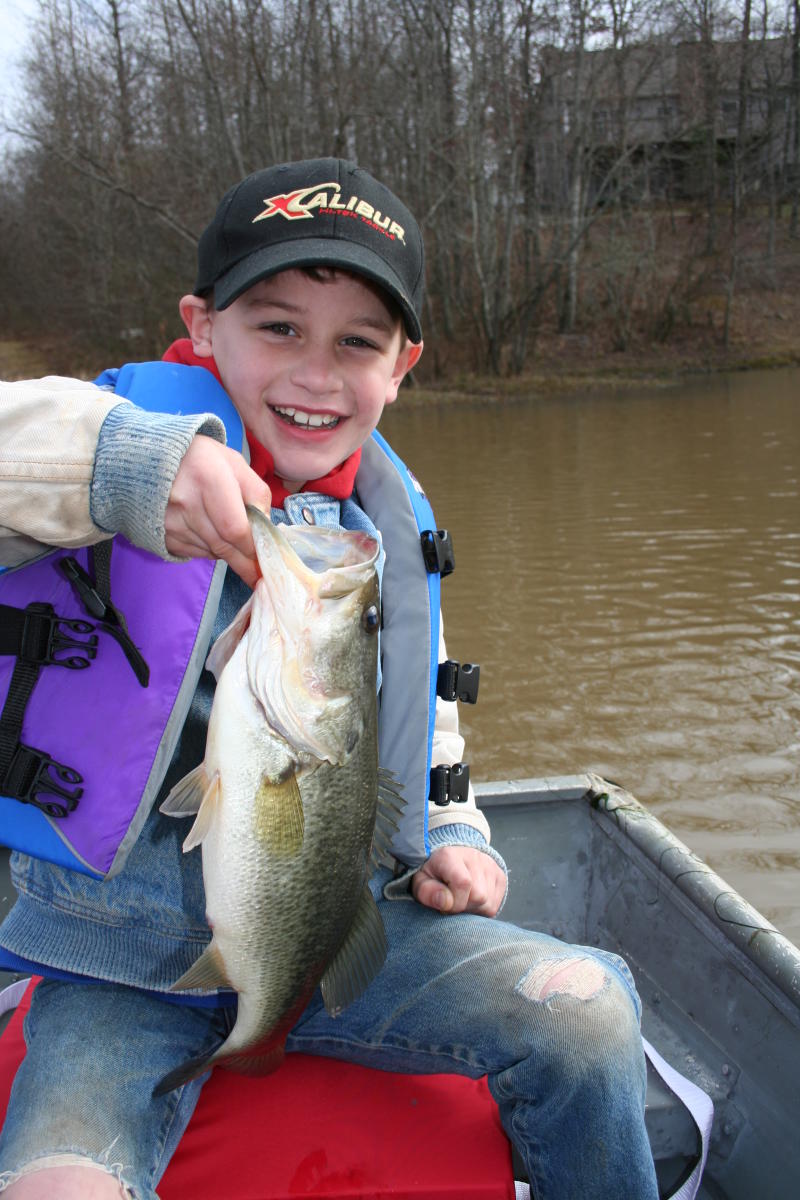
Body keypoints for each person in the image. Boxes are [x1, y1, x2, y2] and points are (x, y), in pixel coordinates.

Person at [0, 158, 659, 1200]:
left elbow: (418, 727)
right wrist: (126, 469)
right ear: (200, 325)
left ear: (403, 366)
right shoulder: (88, 449)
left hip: (331, 932)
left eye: (357, 343)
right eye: (277, 328)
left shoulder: (382, 531)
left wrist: (454, 839)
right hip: (109, 963)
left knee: (586, 1010)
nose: (315, 374)